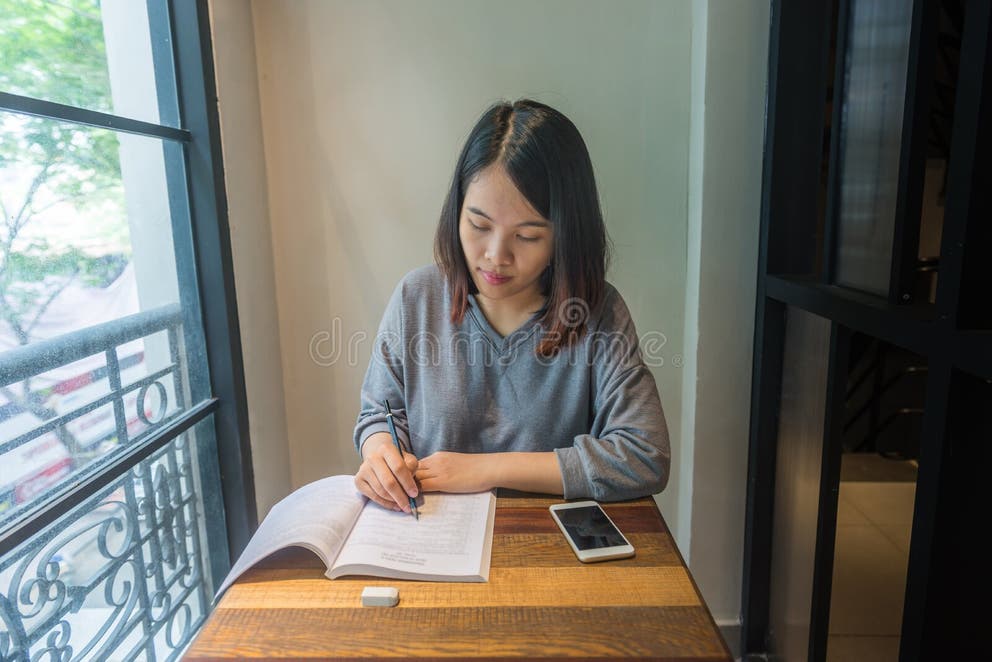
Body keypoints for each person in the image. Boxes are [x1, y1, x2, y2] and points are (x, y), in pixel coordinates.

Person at [353, 99, 670, 513]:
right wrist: (380, 455)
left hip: (545, 553)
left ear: (565, 236)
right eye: (479, 226)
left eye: (528, 236)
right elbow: (380, 415)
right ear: (457, 211)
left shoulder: (597, 312)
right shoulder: (417, 297)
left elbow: (644, 455)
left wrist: (487, 469)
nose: (495, 256)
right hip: (430, 545)